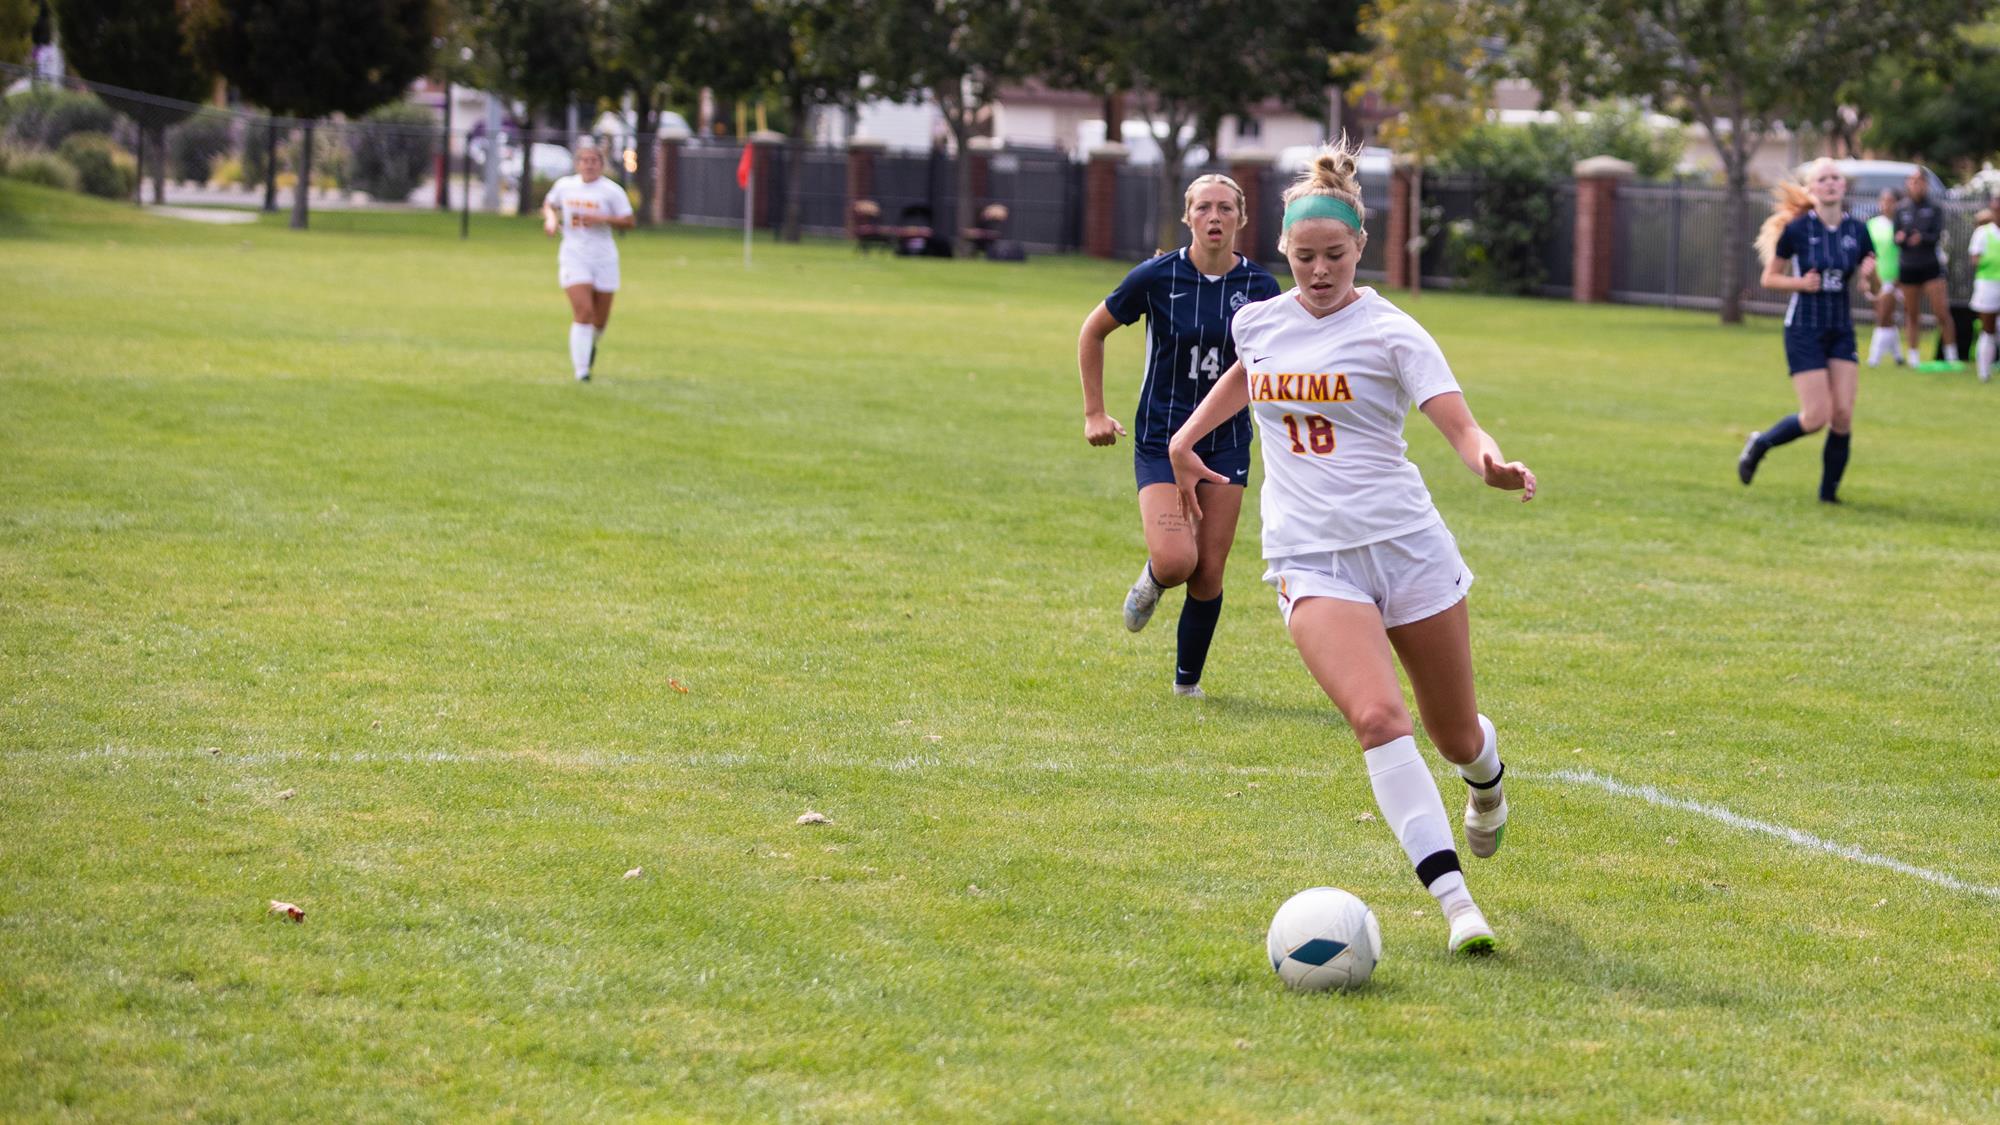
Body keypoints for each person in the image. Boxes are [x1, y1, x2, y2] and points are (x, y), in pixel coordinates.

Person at [1168, 142, 1536, 955]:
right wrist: (1188, 437)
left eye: (1333, 255)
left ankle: (1487, 775)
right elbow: (1250, 371)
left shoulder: (1394, 331)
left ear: (1360, 246)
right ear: (1284, 253)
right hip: (1311, 558)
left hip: (1407, 548)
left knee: (1453, 735)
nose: (1319, 271)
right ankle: (1456, 904)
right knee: (1377, 717)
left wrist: (1489, 464)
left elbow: (1458, 421)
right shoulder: (1257, 317)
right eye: (1303, 257)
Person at [1076, 174, 1281, 698]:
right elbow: (1092, 330)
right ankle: (1153, 577)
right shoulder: (1155, 277)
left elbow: (1277, 365)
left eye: (1226, 209)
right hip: (1161, 439)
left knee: (1208, 572)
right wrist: (1094, 412)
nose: (1215, 218)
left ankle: (1186, 687)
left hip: (1226, 441)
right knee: (1176, 562)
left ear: (1242, 218)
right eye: (1204, 208)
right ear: (1187, 217)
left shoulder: (1262, 289)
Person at [1737, 159, 1879, 504]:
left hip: (1840, 328)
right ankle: (1761, 443)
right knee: (1816, 417)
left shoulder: (1858, 231)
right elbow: (1769, 278)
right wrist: (1801, 283)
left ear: (1844, 187)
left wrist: (1871, 273)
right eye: (1823, 179)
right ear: (1811, 189)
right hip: (1804, 328)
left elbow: (1873, 285)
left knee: (1843, 414)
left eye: (1836, 178)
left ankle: (1828, 497)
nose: (1830, 183)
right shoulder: (1798, 229)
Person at [541, 144, 634, 382]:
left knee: (600, 321)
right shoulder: (565, 186)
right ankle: (582, 370)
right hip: (574, 254)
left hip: (603, 257)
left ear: (601, 165)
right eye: (585, 160)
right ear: (577, 164)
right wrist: (551, 220)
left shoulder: (611, 191)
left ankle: (589, 346)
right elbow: (549, 204)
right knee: (584, 311)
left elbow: (628, 221)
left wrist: (603, 218)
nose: (589, 165)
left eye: (594, 161)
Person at [1894, 169, 1955, 365]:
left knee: (1941, 312)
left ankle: (1951, 355)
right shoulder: (1901, 209)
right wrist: (1901, 239)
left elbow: (1937, 235)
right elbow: (1896, 238)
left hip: (1930, 266)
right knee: (1911, 314)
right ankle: (1913, 357)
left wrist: (1923, 238)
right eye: (1912, 181)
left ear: (1926, 184)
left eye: (1919, 181)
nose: (1915, 184)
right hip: (1908, 266)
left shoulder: (1935, 208)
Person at [1865, 188, 1903, 367]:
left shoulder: (1901, 225)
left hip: (1894, 276)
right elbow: (1867, 253)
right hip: (1876, 276)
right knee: (1885, 316)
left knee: (1883, 316)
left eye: (1890, 201)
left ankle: (1874, 358)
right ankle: (1897, 355)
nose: (1886, 205)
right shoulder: (1872, 224)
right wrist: (1865, 276)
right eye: (1884, 200)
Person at [1967, 201, 1999, 383]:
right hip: (1988, 284)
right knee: (1988, 328)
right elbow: (1975, 258)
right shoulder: (1983, 232)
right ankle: (1984, 371)